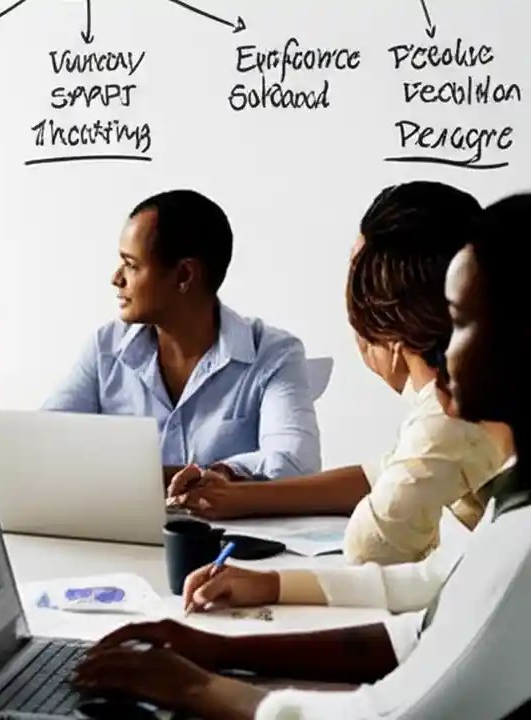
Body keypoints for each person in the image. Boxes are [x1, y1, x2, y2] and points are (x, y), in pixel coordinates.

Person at [70, 193, 531, 720]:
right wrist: (224, 647)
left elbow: (391, 715)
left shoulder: (523, 544)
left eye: (460, 322)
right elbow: (426, 610)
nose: (438, 351)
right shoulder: (510, 504)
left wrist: (204, 691)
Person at [167, 182, 510, 565]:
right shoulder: (450, 410)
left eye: (359, 277)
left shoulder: (448, 419)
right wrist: (238, 496)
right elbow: (386, 473)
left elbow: (371, 546)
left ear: (390, 328)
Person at [43, 189, 319, 481]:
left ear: (185, 275)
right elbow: (43, 442)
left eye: (132, 265)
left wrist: (220, 475)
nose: (116, 278)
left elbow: (296, 463)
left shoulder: (273, 354)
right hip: (124, 526)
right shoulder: (105, 348)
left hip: (229, 527)